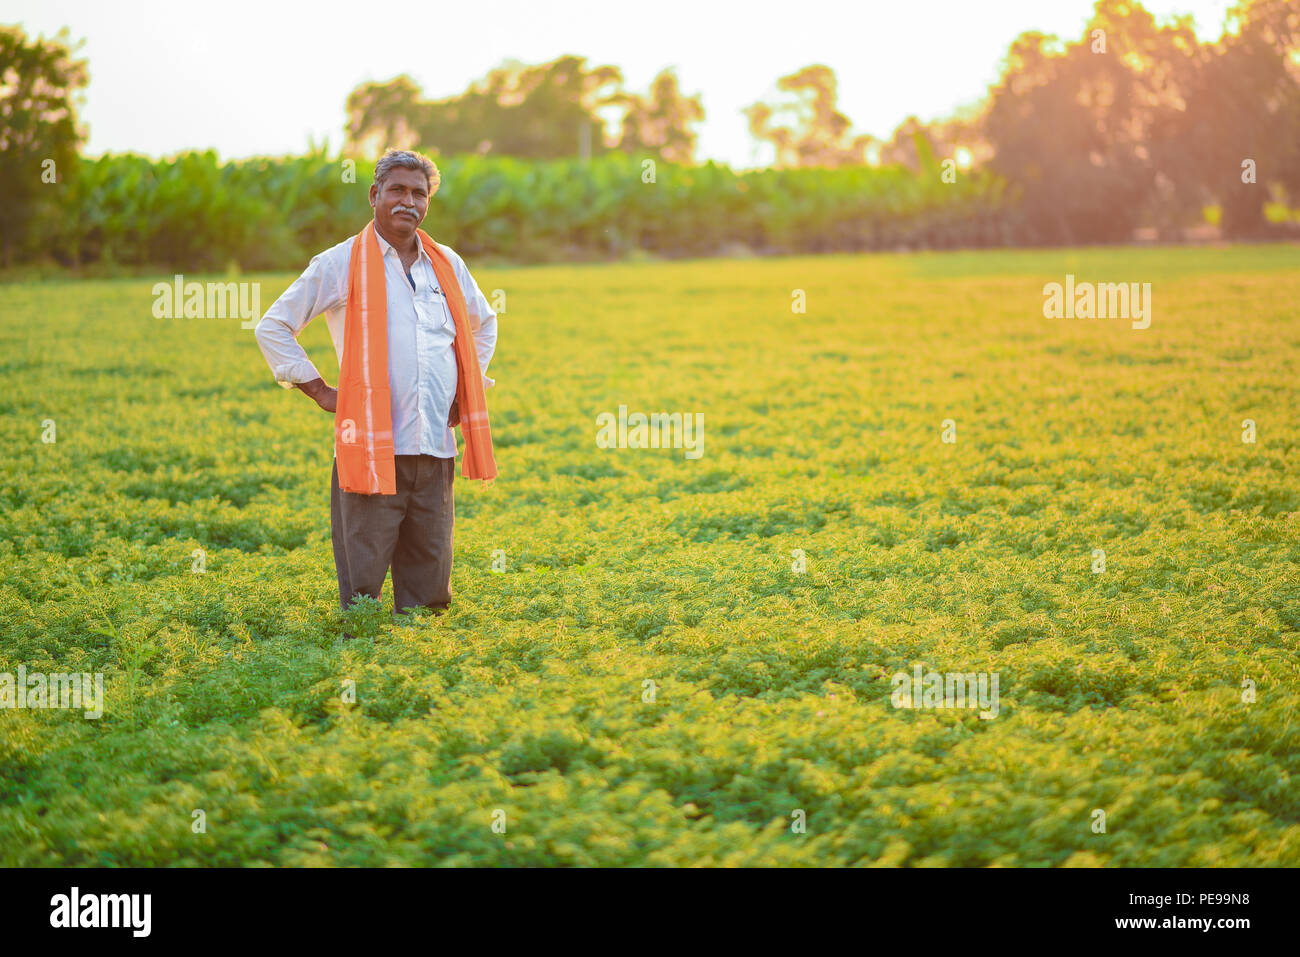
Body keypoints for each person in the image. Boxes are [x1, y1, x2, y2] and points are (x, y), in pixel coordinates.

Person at [253, 148, 498, 623]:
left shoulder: (446, 264)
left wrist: (464, 391)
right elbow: (274, 326)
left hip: (434, 450)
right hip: (369, 448)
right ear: (375, 195)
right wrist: (320, 390)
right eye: (398, 190)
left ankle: (419, 675)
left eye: (419, 193)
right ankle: (363, 670)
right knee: (364, 588)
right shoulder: (339, 262)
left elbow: (483, 325)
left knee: (430, 592)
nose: (409, 201)